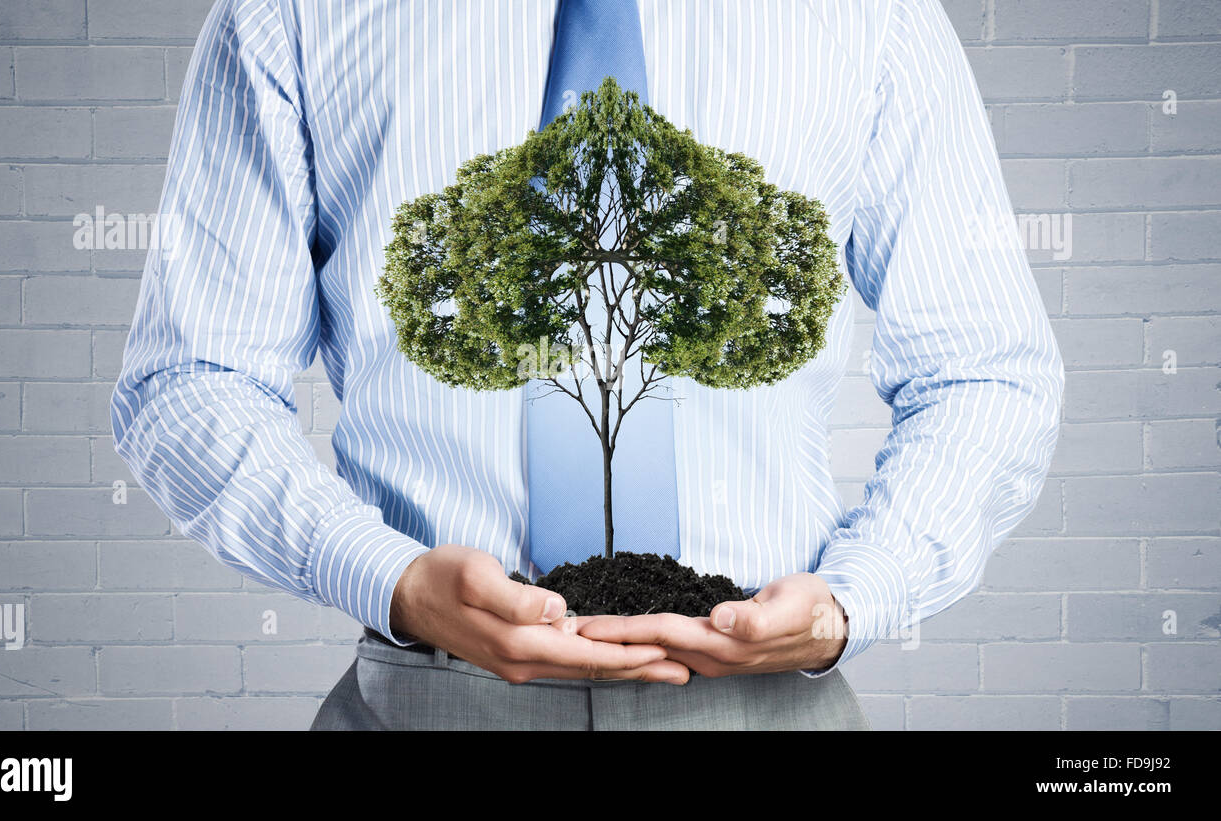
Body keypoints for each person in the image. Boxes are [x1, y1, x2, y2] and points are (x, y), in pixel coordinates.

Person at [111, 0, 1063, 731]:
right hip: (430, 702)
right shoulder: (299, 13)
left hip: (764, 704)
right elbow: (194, 375)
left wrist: (858, 593)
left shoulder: (867, 16)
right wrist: (388, 577)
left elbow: (982, 369)